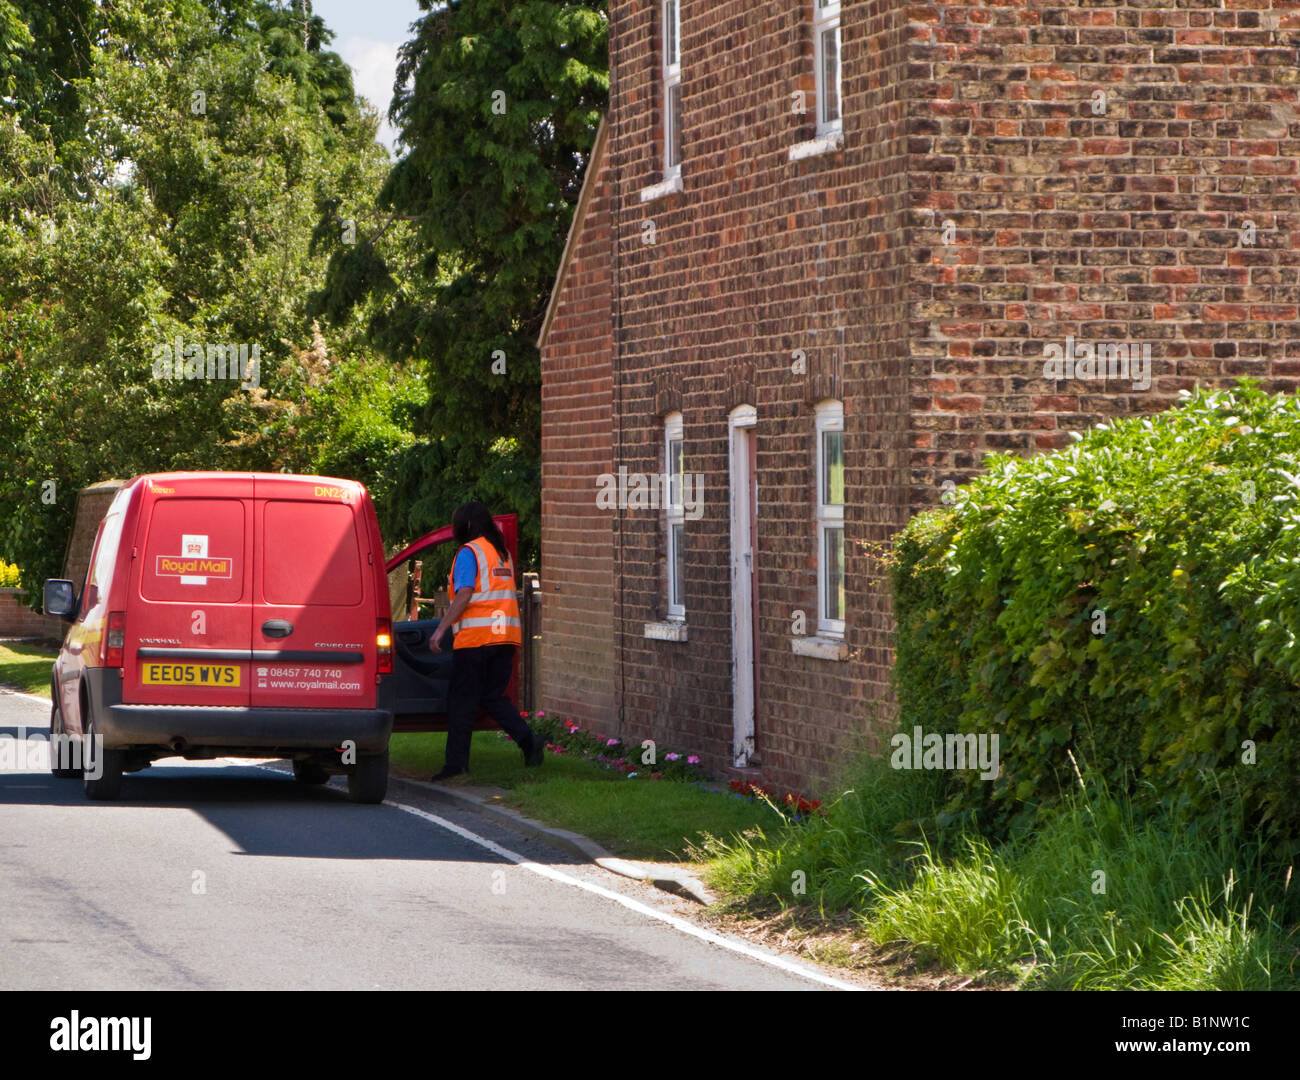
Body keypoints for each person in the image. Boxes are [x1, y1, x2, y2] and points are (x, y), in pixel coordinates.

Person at [427, 501, 544, 780]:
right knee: (492, 697)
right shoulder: (501, 554)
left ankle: (456, 766)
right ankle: (530, 742)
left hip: (477, 640)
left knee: (461, 703)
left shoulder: (470, 552)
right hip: (505, 637)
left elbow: (465, 593)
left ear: (466, 525)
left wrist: (441, 628)